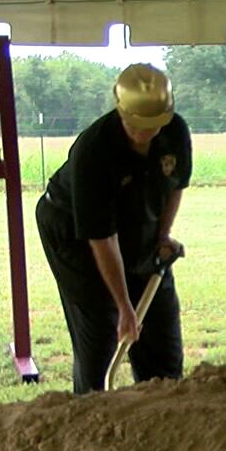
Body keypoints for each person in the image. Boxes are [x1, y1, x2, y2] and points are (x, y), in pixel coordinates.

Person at [36, 63, 191, 393]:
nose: (143, 133)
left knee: (158, 321)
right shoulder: (94, 150)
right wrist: (123, 306)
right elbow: (102, 239)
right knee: (103, 325)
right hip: (71, 227)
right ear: (120, 110)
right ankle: (92, 404)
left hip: (133, 215)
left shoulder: (176, 132)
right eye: (135, 124)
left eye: (152, 124)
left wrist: (162, 236)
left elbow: (175, 186)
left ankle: (159, 400)